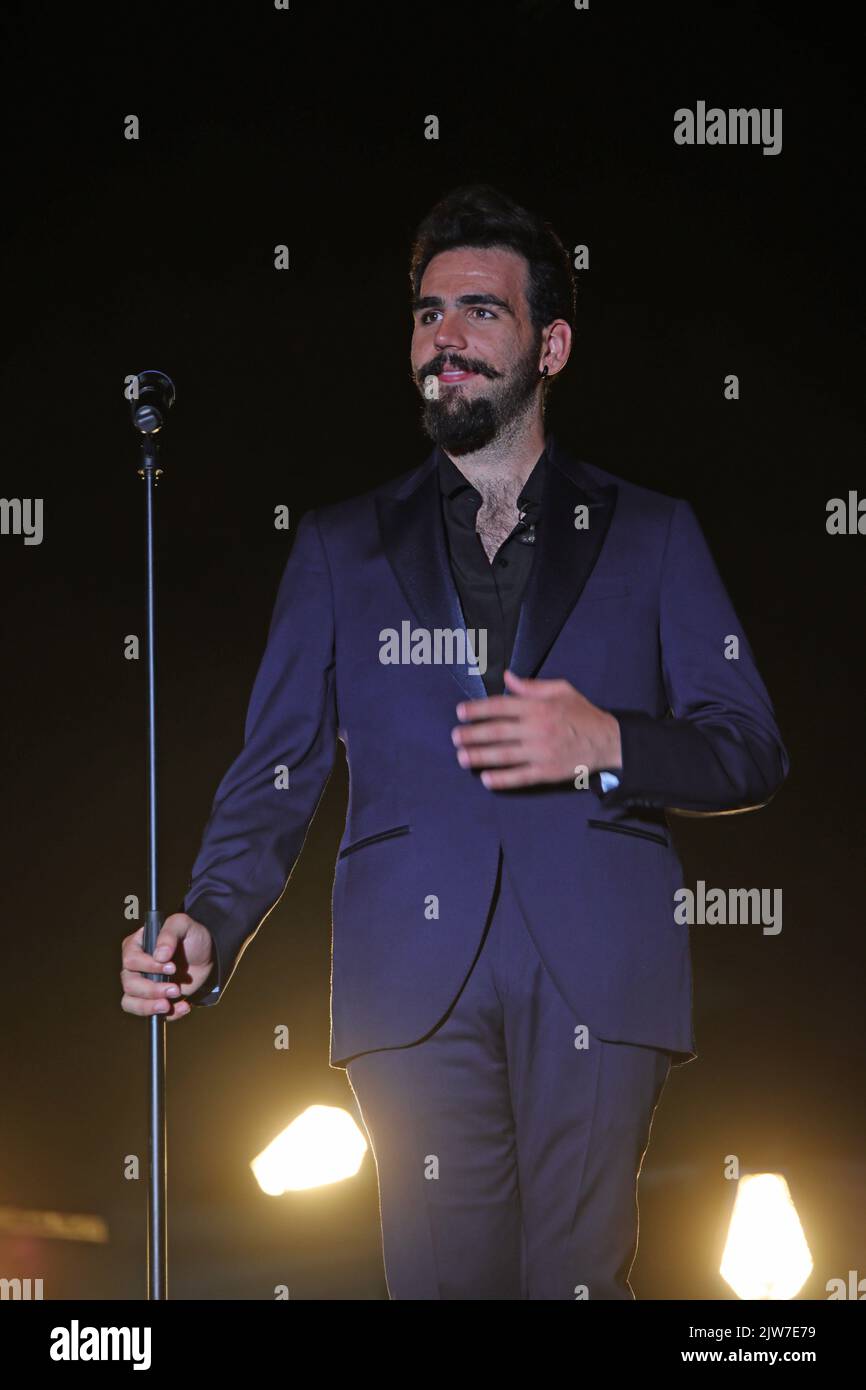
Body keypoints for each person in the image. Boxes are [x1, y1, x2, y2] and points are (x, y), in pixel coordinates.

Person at [120, 184, 789, 1299]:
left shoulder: (653, 531)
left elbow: (749, 747)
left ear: (551, 343)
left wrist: (605, 737)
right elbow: (276, 769)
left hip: (597, 969)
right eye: (428, 315)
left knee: (574, 1281)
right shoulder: (339, 547)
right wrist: (208, 917)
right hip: (407, 976)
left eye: (481, 313)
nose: (446, 339)